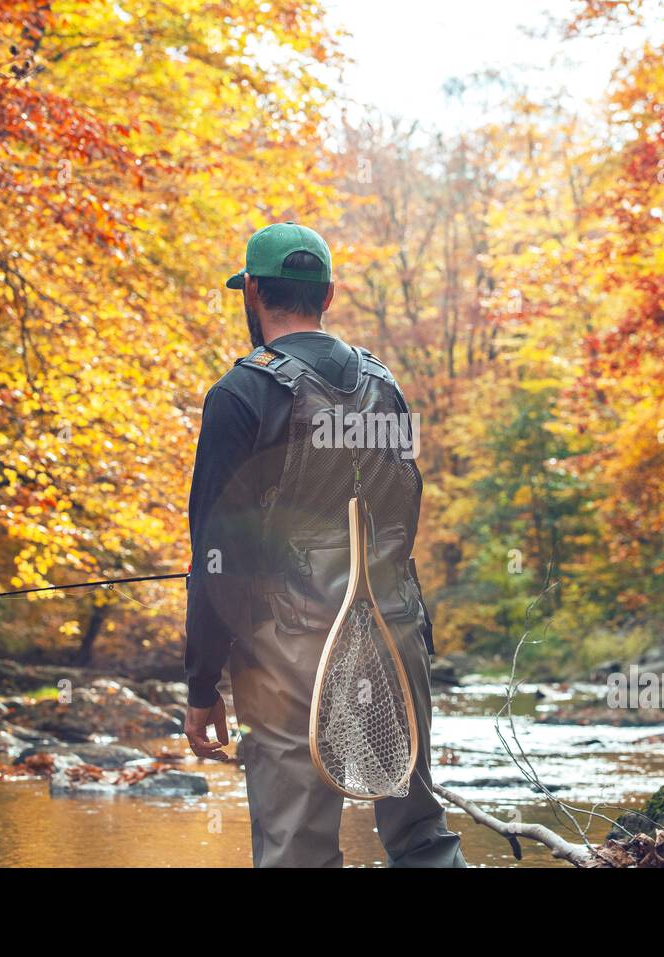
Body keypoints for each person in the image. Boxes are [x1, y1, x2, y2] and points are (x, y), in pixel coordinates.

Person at [182, 221, 466, 868]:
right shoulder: (385, 386)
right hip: (394, 636)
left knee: (296, 853)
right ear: (328, 294)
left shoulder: (238, 395)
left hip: (287, 659)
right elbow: (401, 516)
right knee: (422, 837)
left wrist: (202, 684)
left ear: (251, 291)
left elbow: (213, 559)